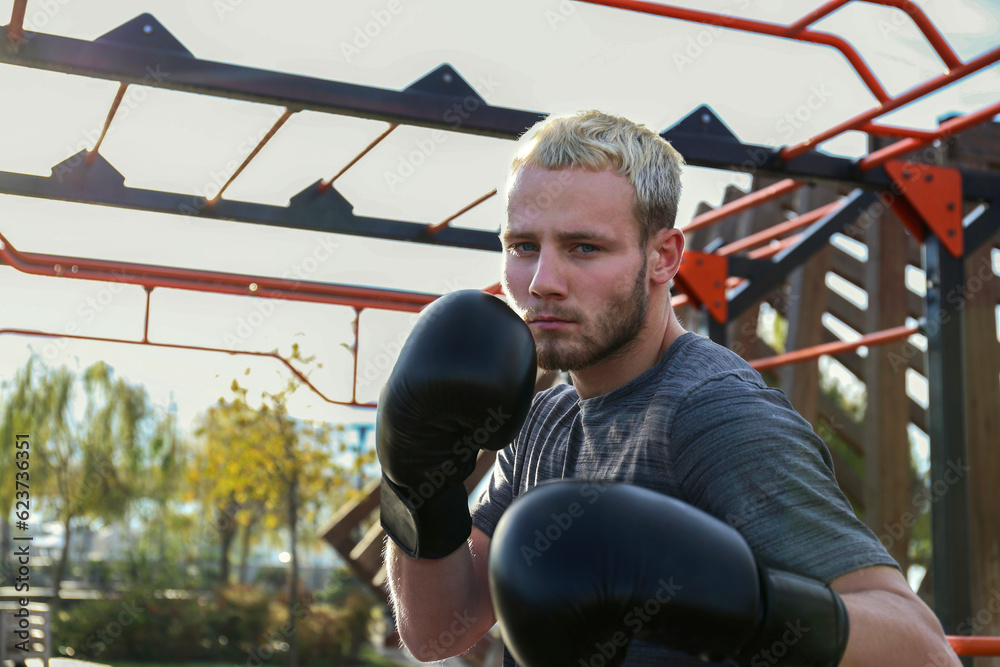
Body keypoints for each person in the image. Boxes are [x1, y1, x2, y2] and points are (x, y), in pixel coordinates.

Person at [378, 110, 960, 666]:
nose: (542, 282)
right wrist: (415, 487)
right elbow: (436, 631)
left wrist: (751, 610)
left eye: (585, 247)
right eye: (523, 246)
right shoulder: (542, 420)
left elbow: (926, 652)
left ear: (663, 257)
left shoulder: (715, 415)